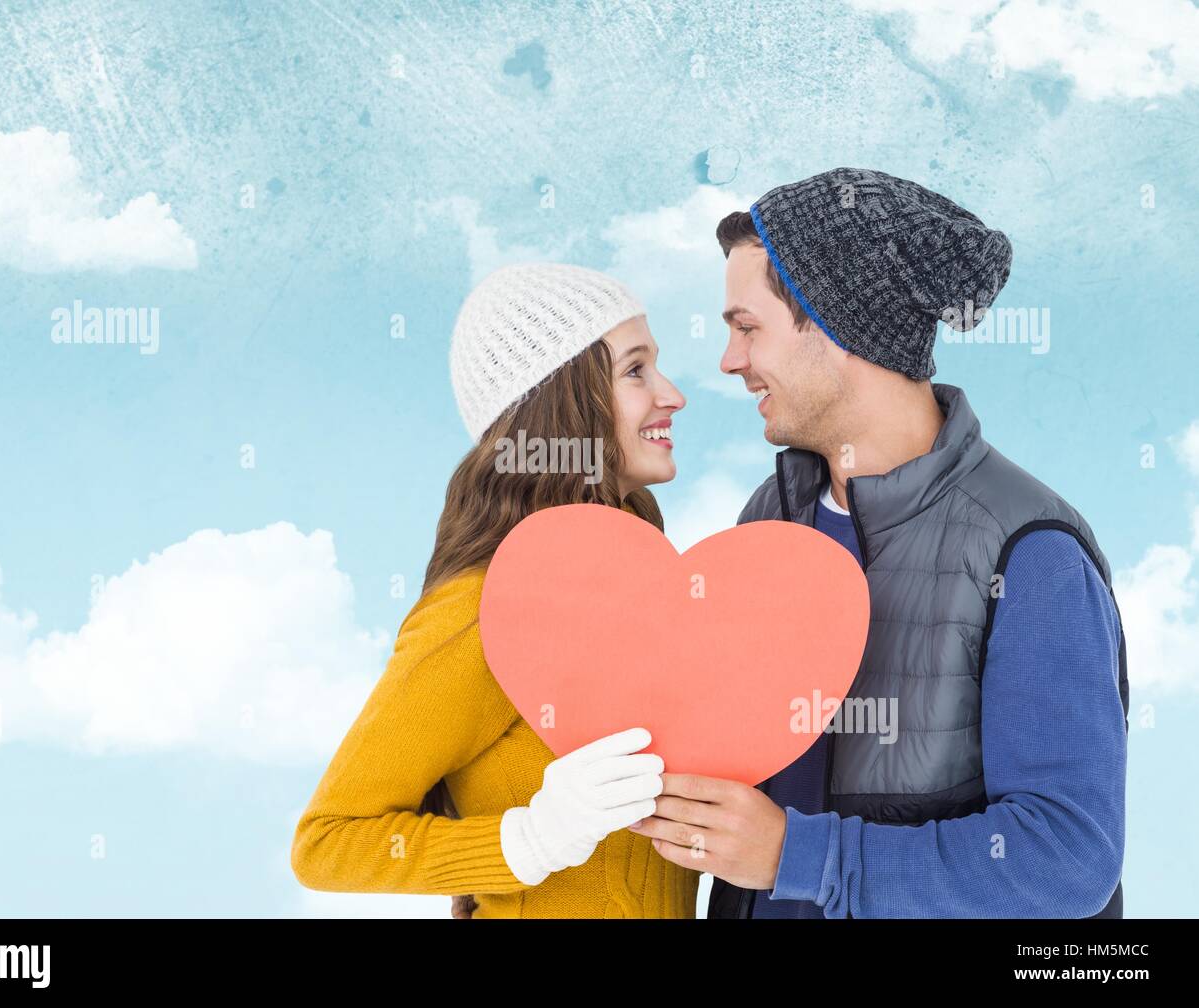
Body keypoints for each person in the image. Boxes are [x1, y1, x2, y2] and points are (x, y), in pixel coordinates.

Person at [627, 167, 1130, 919]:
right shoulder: (769, 519)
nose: (729, 361)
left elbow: (1066, 857)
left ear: (838, 325)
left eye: (747, 326)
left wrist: (802, 858)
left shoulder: (1029, 551)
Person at [290, 262, 700, 917]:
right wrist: (531, 840)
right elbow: (327, 844)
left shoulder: (645, 594)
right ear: (563, 405)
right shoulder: (483, 610)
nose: (672, 394)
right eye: (635, 370)